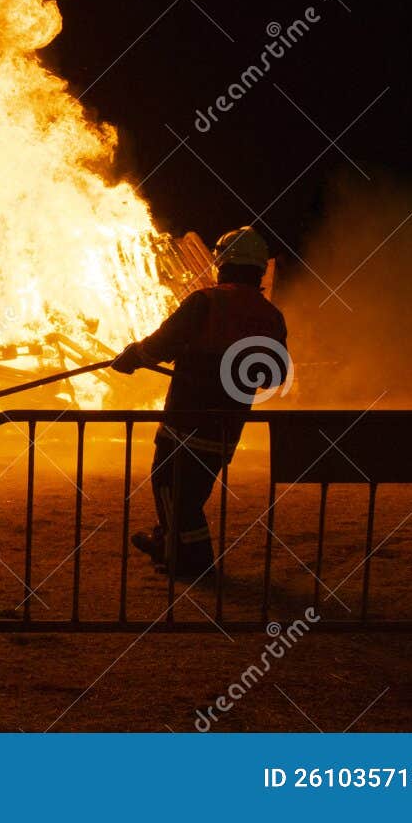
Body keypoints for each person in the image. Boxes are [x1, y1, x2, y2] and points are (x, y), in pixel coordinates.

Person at [110, 226, 288, 581]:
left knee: (172, 489)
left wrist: (133, 356)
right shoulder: (270, 316)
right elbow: (275, 375)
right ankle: (167, 543)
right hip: (227, 428)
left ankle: (194, 562)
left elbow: (161, 344)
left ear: (222, 263)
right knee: (189, 493)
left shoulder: (206, 301)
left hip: (185, 422)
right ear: (258, 270)